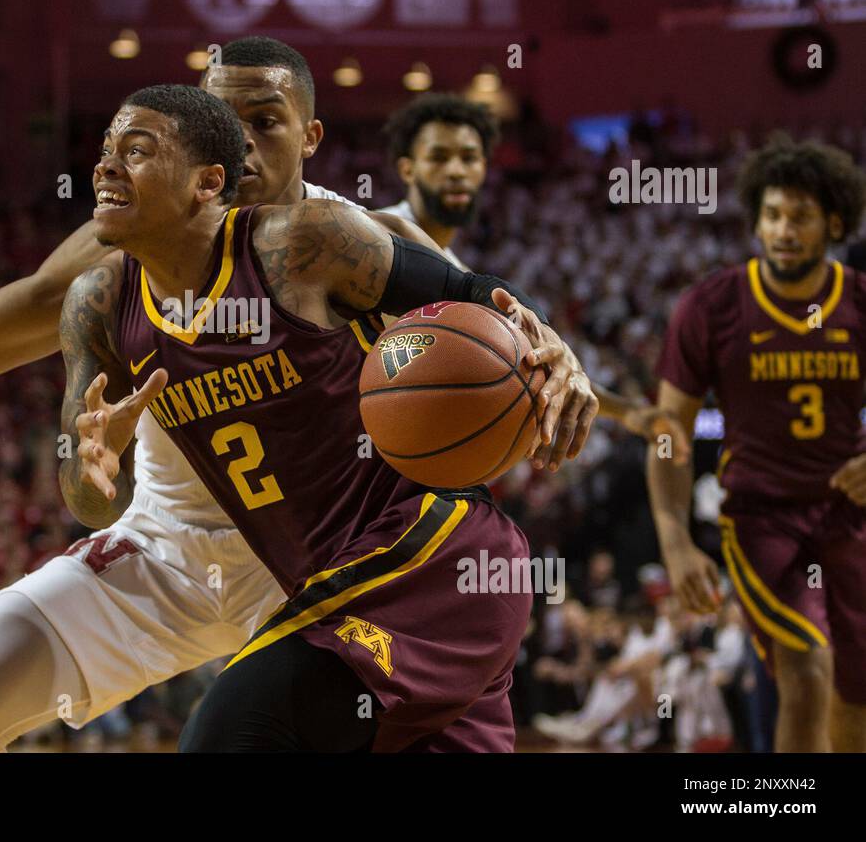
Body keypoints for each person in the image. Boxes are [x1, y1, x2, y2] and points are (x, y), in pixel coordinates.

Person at [0, 38, 592, 751]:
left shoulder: (341, 240)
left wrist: (557, 356)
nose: (240, 145)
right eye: (220, 122)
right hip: (170, 547)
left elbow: (491, 320)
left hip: (324, 560)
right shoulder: (113, 268)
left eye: (264, 123)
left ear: (312, 137)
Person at [59, 83, 599, 751]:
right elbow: (86, 501)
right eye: (106, 149)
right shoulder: (97, 304)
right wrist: (93, 470)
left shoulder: (302, 244)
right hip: (331, 589)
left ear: (207, 182)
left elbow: (470, 292)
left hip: (430, 555)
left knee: (226, 736)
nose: (106, 165)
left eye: (134, 150)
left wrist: (555, 349)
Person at [648, 136, 866, 751]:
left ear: (835, 222)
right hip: (760, 518)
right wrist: (674, 541)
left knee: (856, 694)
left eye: (800, 217)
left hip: (849, 518)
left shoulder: (859, 302)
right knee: (807, 672)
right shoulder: (712, 307)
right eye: (772, 216)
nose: (783, 230)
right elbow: (669, 434)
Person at [378, 92, 689, 458]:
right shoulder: (375, 240)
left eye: (469, 158)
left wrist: (633, 414)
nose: (457, 171)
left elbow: (538, 361)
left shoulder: (459, 274)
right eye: (439, 157)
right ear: (407, 169)